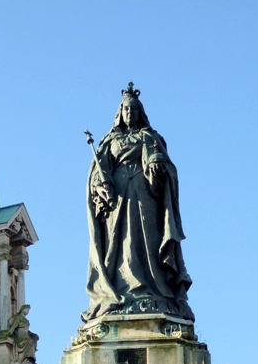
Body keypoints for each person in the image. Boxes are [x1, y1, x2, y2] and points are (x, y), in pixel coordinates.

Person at [82, 83, 193, 324]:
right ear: (120, 114)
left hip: (146, 196)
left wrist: (158, 170)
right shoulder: (110, 140)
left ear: (139, 112)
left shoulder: (150, 137)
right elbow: (98, 173)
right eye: (126, 110)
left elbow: (167, 170)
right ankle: (120, 290)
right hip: (118, 199)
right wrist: (100, 186)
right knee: (119, 246)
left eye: (133, 110)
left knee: (148, 243)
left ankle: (154, 291)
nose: (129, 114)